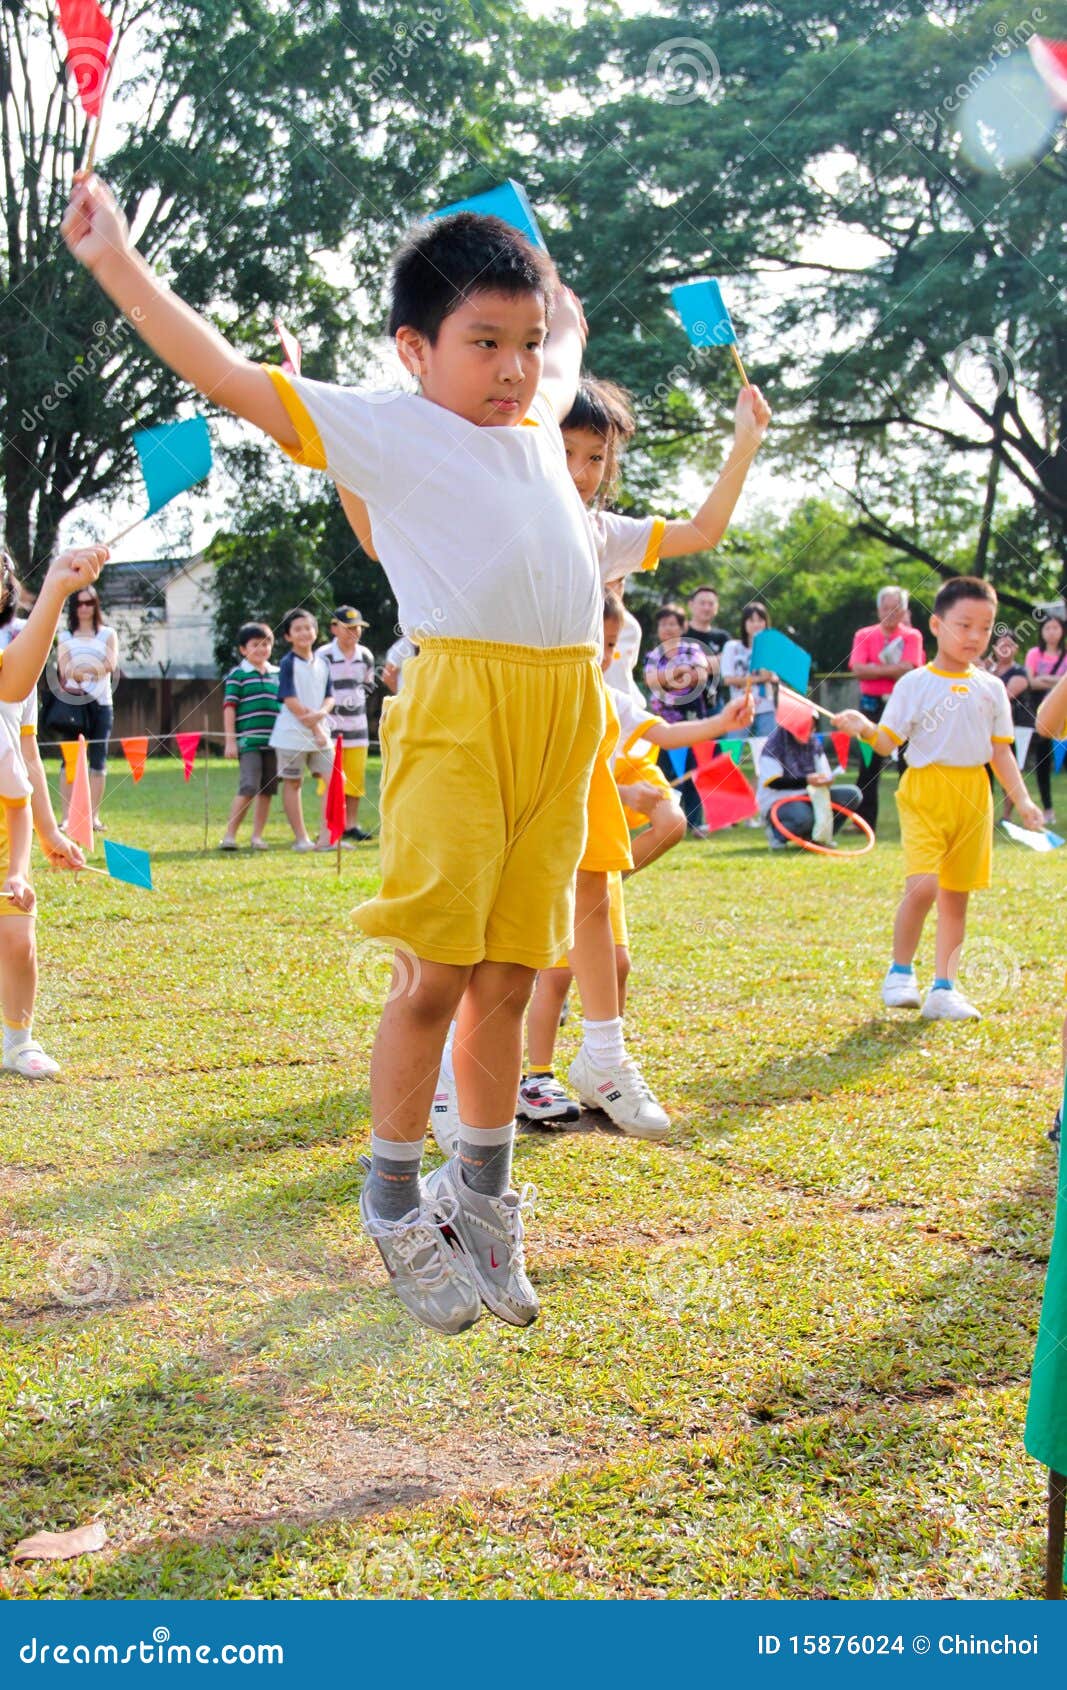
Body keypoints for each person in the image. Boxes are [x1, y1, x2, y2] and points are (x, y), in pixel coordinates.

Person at [65, 170, 597, 1335]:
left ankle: (486, 1194)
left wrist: (531, 263)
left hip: (567, 712)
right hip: (462, 709)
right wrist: (115, 261)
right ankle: (394, 1196)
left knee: (513, 974)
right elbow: (223, 376)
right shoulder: (391, 428)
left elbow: (566, 334)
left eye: (523, 342)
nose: (511, 368)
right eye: (481, 343)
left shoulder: (537, 423)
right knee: (437, 972)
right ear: (413, 348)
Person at [516, 592, 754, 1124]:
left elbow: (665, 732)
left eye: (608, 646)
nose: (601, 656)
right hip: (559, 855)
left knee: (617, 962)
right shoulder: (548, 696)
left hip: (599, 856)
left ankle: (602, 1069)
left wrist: (722, 724)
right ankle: (536, 1076)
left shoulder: (609, 698)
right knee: (553, 975)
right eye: (592, 643)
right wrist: (623, 798)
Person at [834, 576, 1044, 1023]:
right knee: (924, 886)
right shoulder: (914, 683)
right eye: (963, 624)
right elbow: (889, 743)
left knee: (956, 896)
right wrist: (864, 728)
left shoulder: (991, 689)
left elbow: (1000, 751)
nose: (974, 636)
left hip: (974, 797)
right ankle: (899, 972)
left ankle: (943, 988)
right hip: (924, 792)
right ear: (935, 624)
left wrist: (1023, 802)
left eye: (985, 628)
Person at [0, 544, 108, 1077]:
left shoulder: (16, 656)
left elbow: (25, 760)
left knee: (17, 939)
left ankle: (19, 1039)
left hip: (5, 817)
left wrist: (48, 834)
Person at [847, 586, 925, 832]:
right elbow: (857, 669)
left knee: (907, 762)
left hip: (902, 705)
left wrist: (874, 668)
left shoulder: (912, 636)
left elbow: (911, 667)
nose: (891, 613)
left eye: (896, 608)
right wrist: (893, 669)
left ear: (904, 610)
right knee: (868, 764)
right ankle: (863, 822)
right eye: (886, 608)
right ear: (878, 609)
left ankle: (912, 819)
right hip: (870, 706)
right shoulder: (863, 635)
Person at [268, 608, 338, 853]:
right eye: (297, 629)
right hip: (290, 735)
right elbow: (289, 699)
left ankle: (328, 836)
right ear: (288, 636)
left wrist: (321, 716)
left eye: (308, 627)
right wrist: (316, 725)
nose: (304, 633)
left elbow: (330, 697)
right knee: (293, 783)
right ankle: (301, 838)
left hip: (320, 734)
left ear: (316, 632)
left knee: (334, 780)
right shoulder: (288, 663)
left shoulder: (324, 662)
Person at [644, 604, 713, 834]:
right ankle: (664, 820)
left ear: (682, 626)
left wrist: (667, 677)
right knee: (664, 774)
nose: (668, 628)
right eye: (663, 624)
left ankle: (695, 822)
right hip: (662, 725)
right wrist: (682, 672)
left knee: (692, 773)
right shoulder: (653, 655)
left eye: (673, 623)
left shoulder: (693, 649)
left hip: (692, 721)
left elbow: (700, 675)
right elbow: (652, 681)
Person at [55, 582, 119, 832]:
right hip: (73, 706)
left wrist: (82, 670)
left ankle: (93, 817)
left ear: (95, 605)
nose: (84, 608)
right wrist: (93, 668)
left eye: (89, 602)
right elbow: (65, 669)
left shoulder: (108, 634)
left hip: (102, 705)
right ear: (74, 607)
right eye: (79, 603)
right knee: (69, 762)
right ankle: (67, 817)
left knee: (98, 761)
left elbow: (110, 664)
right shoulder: (65, 636)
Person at [220, 622, 281, 851]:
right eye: (256, 645)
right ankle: (230, 835)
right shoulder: (237, 675)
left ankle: (257, 836)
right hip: (249, 743)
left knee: (267, 790)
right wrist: (230, 740)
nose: (262, 649)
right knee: (248, 787)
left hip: (275, 742)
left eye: (266, 644)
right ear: (243, 649)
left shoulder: (279, 674)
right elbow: (229, 708)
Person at [320, 606, 376, 840]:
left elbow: (368, 686)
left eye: (357, 628)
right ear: (334, 628)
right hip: (330, 728)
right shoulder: (323, 655)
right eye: (348, 628)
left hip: (358, 728)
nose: (354, 632)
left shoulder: (366, 655)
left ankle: (351, 825)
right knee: (331, 780)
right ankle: (329, 827)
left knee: (355, 780)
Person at [757, 726, 863, 850]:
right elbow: (773, 782)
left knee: (852, 795)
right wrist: (806, 780)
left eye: (812, 728)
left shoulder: (813, 743)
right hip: (779, 800)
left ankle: (818, 838)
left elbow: (823, 773)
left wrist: (826, 780)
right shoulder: (774, 746)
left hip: (811, 796)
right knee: (804, 817)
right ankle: (777, 835)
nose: (809, 733)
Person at [1025, 613, 1067, 824]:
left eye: (1055, 628)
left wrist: (1048, 680)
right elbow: (1031, 682)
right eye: (1047, 628)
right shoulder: (1034, 653)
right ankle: (1048, 808)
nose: (1051, 632)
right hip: (1039, 711)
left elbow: (1038, 680)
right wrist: (1059, 681)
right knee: (1042, 761)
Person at [988, 629, 1033, 822]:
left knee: (1011, 770)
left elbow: (1006, 695)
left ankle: (1006, 816)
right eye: (1001, 644)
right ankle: (985, 812)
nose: (1004, 648)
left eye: (1009, 644)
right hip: (988, 728)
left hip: (1016, 727)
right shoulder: (986, 672)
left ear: (1016, 648)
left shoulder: (1020, 672)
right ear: (994, 648)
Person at [720, 601, 778, 740]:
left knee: (770, 751)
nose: (756, 624)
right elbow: (728, 679)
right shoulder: (732, 647)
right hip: (740, 707)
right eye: (751, 620)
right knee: (733, 751)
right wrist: (759, 679)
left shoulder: (770, 648)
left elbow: (772, 676)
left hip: (766, 707)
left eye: (760, 620)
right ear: (744, 623)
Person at [684, 584, 731, 706]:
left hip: (714, 704)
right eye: (702, 603)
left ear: (717, 607)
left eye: (711, 604)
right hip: (680, 705)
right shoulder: (679, 633)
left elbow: (729, 664)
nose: (706, 608)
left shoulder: (723, 637)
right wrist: (714, 661)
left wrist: (694, 665)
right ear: (691, 605)